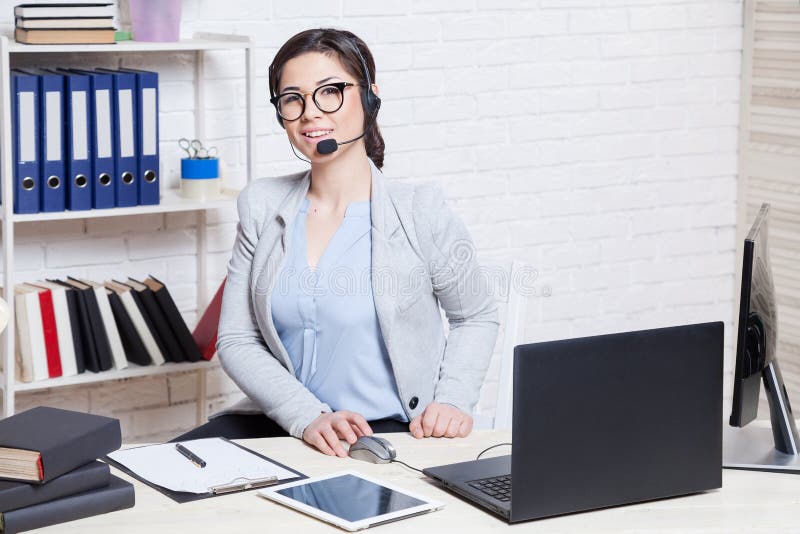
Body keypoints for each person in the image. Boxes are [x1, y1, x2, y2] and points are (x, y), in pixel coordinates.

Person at [174, 28, 499, 457]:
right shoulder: (261, 205)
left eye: (330, 91)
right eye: (293, 99)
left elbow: (475, 314)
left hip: (384, 432)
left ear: (369, 97)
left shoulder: (421, 211)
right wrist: (305, 416)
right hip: (286, 422)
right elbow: (236, 338)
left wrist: (453, 399)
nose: (310, 113)